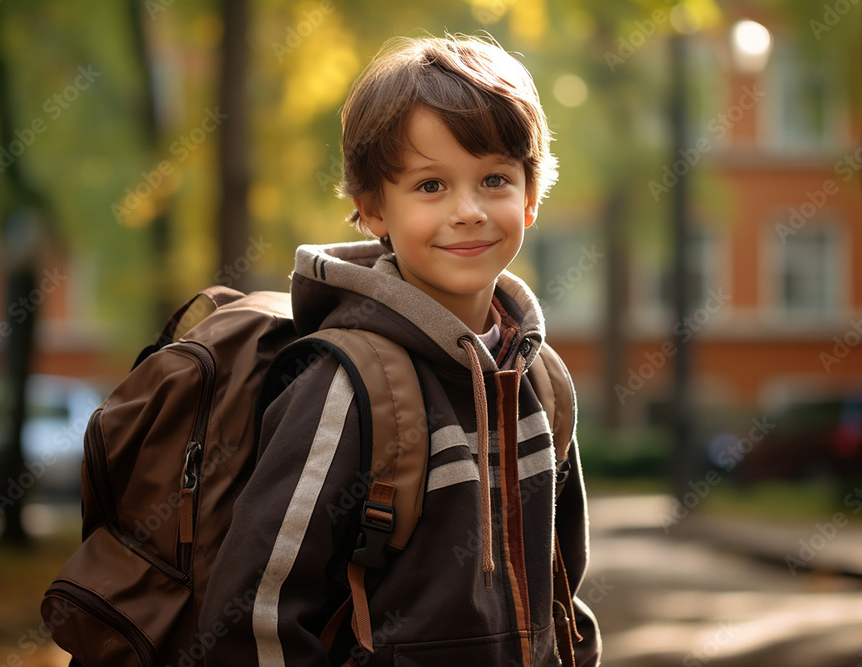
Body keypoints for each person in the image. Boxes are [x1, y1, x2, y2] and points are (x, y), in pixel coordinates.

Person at [200, 33, 601, 666]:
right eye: (431, 185)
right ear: (373, 210)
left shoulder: (541, 380)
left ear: (529, 198)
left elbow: (561, 597)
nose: (468, 211)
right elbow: (255, 618)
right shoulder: (344, 387)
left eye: (494, 179)